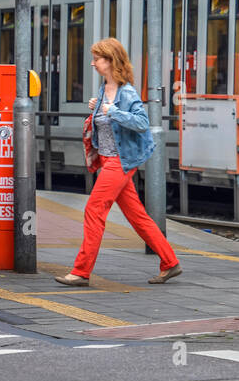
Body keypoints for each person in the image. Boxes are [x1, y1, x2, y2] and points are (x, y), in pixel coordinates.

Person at [56, 38, 182, 286]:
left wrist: (111, 111)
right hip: (108, 160)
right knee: (137, 216)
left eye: (97, 59)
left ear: (110, 61)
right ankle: (170, 262)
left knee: (94, 210)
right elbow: (105, 122)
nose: (92, 63)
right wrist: (96, 109)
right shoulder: (105, 89)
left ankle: (81, 271)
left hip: (119, 161)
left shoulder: (127, 92)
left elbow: (142, 123)